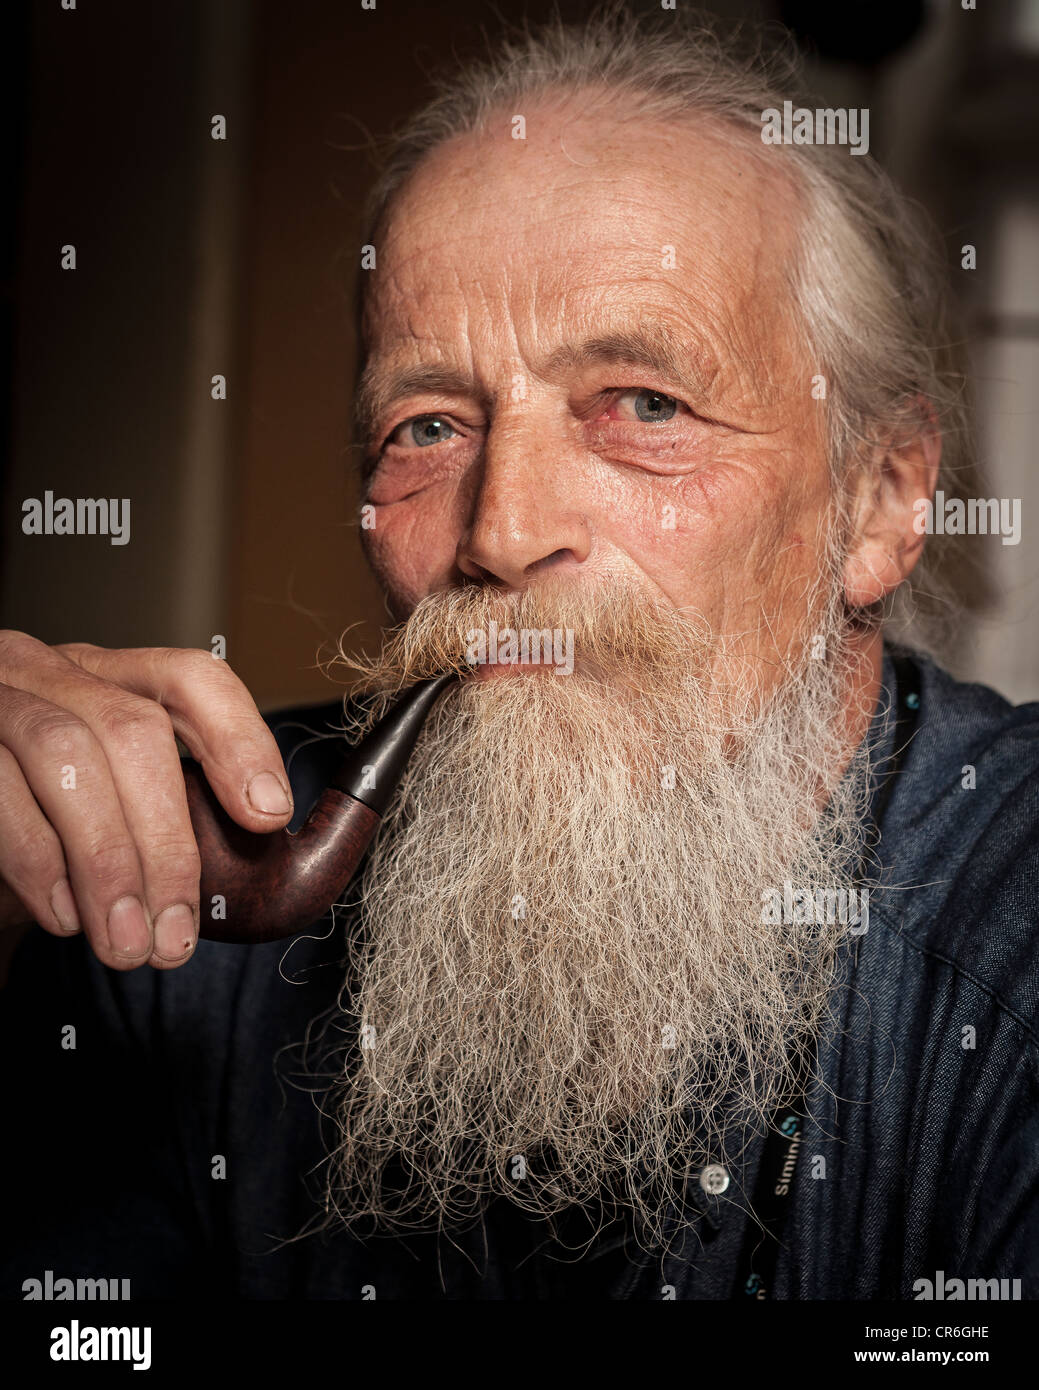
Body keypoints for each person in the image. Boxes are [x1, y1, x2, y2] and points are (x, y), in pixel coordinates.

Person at [2, 9, 1037, 1301]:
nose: (498, 530)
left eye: (646, 405)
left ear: (880, 499)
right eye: (426, 425)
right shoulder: (172, 899)